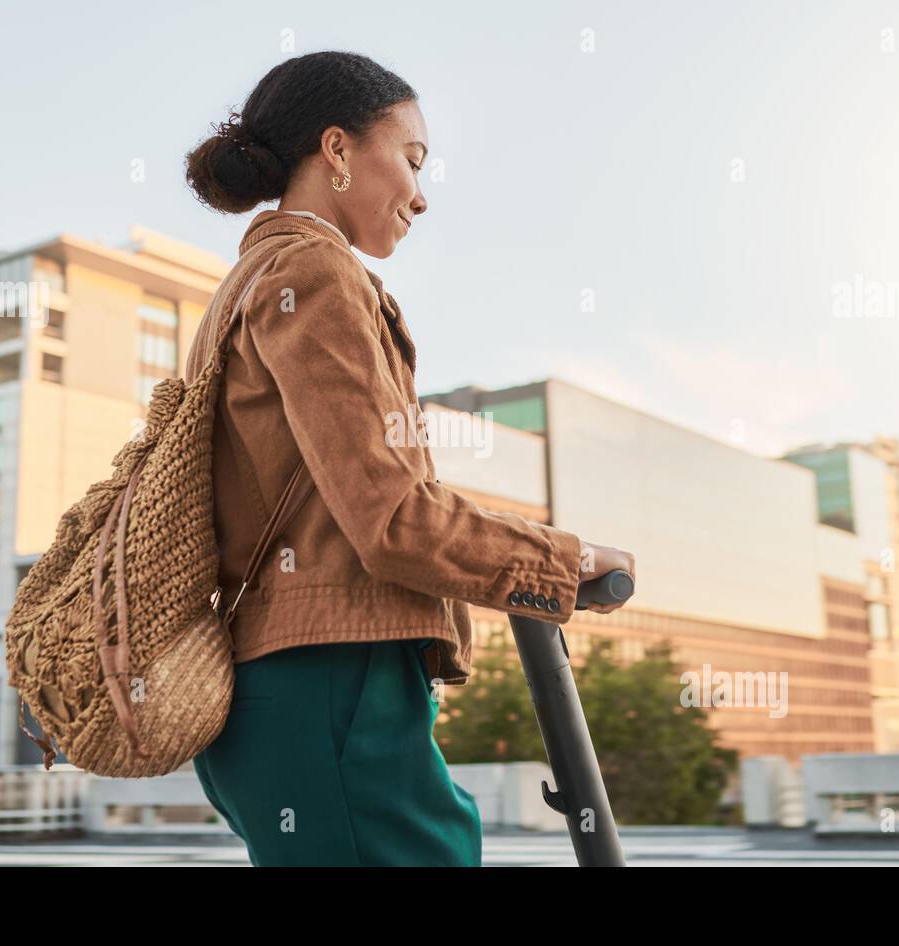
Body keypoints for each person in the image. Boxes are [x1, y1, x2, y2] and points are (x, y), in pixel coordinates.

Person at [180, 50, 635, 866]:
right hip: (333, 688)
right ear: (339, 151)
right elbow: (393, 519)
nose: (422, 196)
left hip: (288, 692)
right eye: (413, 159)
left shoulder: (247, 282)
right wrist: (566, 559)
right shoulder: (314, 272)